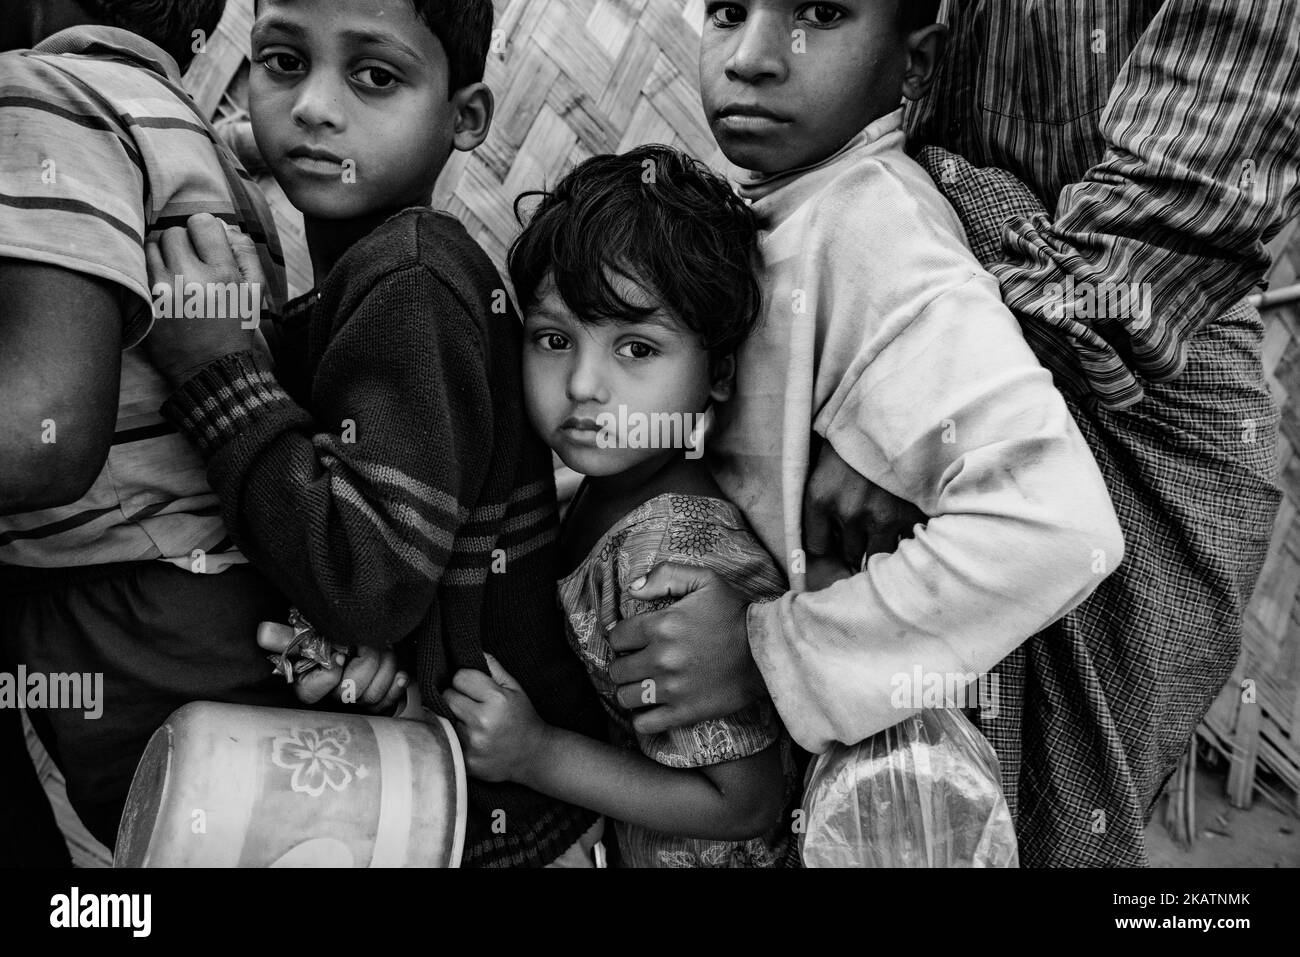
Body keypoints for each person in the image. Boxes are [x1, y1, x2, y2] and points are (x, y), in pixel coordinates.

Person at [605, 0, 1126, 854]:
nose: (755, 58)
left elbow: (1054, 526)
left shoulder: (876, 231)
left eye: (822, 13)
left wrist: (771, 650)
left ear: (914, 65)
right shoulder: (792, 210)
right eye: (730, 12)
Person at [143, 0, 606, 868]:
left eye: (375, 76)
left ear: (464, 118)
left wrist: (218, 374)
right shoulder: (372, 276)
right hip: (451, 793)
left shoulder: (412, 280)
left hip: (492, 821)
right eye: (284, 62)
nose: (316, 106)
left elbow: (370, 575)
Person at [893, 0, 1300, 866]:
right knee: (888, 804)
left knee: (1039, 823)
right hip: (916, 292)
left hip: (1136, 383)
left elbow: (1201, 171)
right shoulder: (834, 249)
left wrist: (945, 394)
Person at [0, 0, 301, 858]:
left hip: (128, 611)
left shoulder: (39, 93)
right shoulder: (193, 140)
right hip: (218, 600)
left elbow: (39, 433)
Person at [445, 145, 796, 867]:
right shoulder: (602, 490)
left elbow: (747, 802)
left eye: (636, 348)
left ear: (718, 371)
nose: (582, 383)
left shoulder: (666, 558)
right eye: (553, 339)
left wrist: (536, 755)